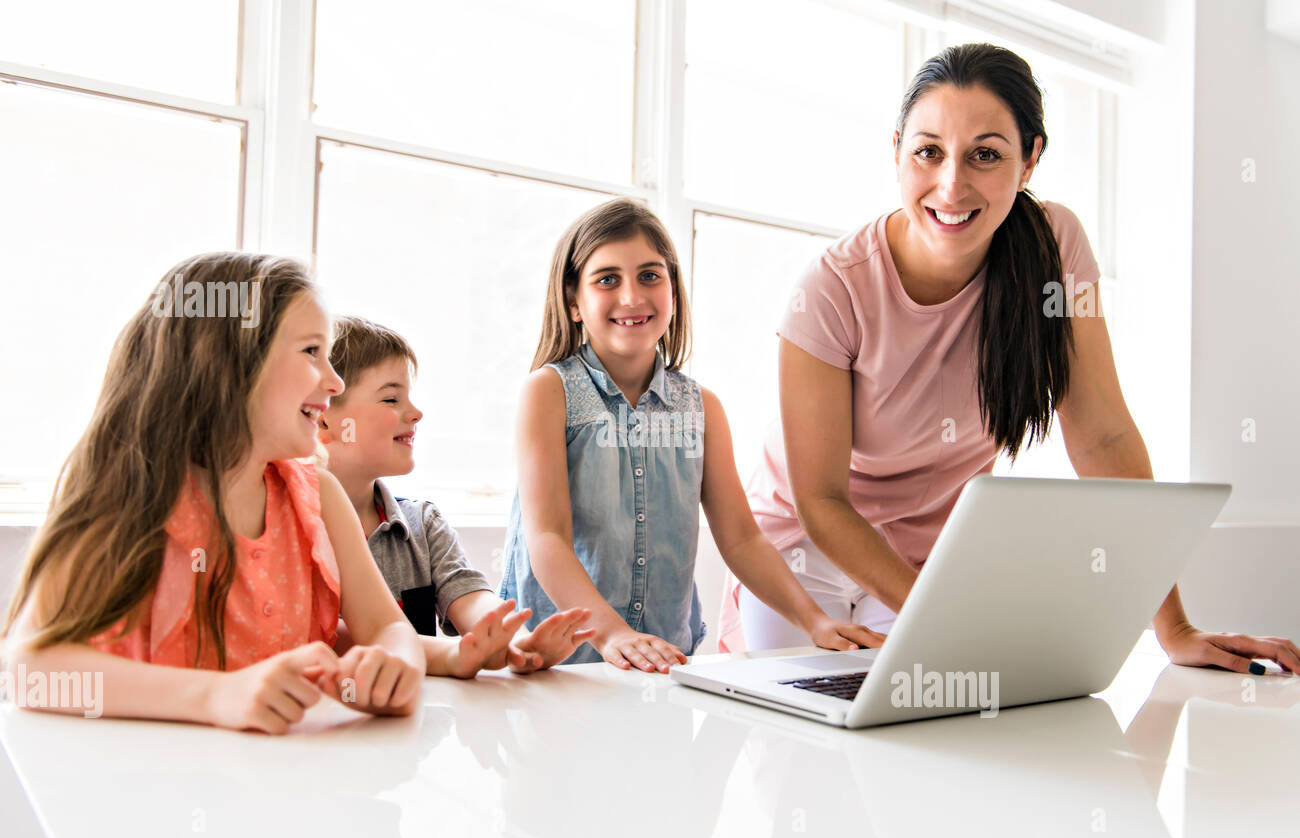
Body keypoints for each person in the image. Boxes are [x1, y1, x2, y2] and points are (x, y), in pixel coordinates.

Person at [721, 42, 1300, 675]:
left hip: (932, 553)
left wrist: (1174, 628)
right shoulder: (830, 288)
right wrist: (945, 622)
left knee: (944, 731)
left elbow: (1104, 436)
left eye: (986, 155)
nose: (951, 183)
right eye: (928, 152)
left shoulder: (1057, 250)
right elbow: (823, 500)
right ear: (896, 153)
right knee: (809, 742)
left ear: (1029, 161)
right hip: (805, 550)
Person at [2, 252, 426, 733]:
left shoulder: (319, 498)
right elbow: (30, 674)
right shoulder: (132, 497)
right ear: (230, 365)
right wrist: (219, 696)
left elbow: (388, 627)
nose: (334, 381)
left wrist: (396, 665)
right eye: (311, 352)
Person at [499, 198, 882, 673]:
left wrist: (815, 622)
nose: (632, 296)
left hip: (662, 657)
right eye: (607, 279)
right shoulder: (549, 392)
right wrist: (612, 632)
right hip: (560, 663)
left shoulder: (703, 408)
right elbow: (547, 539)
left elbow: (742, 539)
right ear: (574, 302)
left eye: (650, 275)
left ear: (674, 294)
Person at [318, 315, 594, 676]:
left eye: (409, 397)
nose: (415, 413)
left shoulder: (423, 523)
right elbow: (337, 639)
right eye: (390, 399)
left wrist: (513, 640)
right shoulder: (296, 526)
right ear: (322, 417)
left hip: (413, 720)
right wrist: (452, 657)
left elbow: (469, 597)